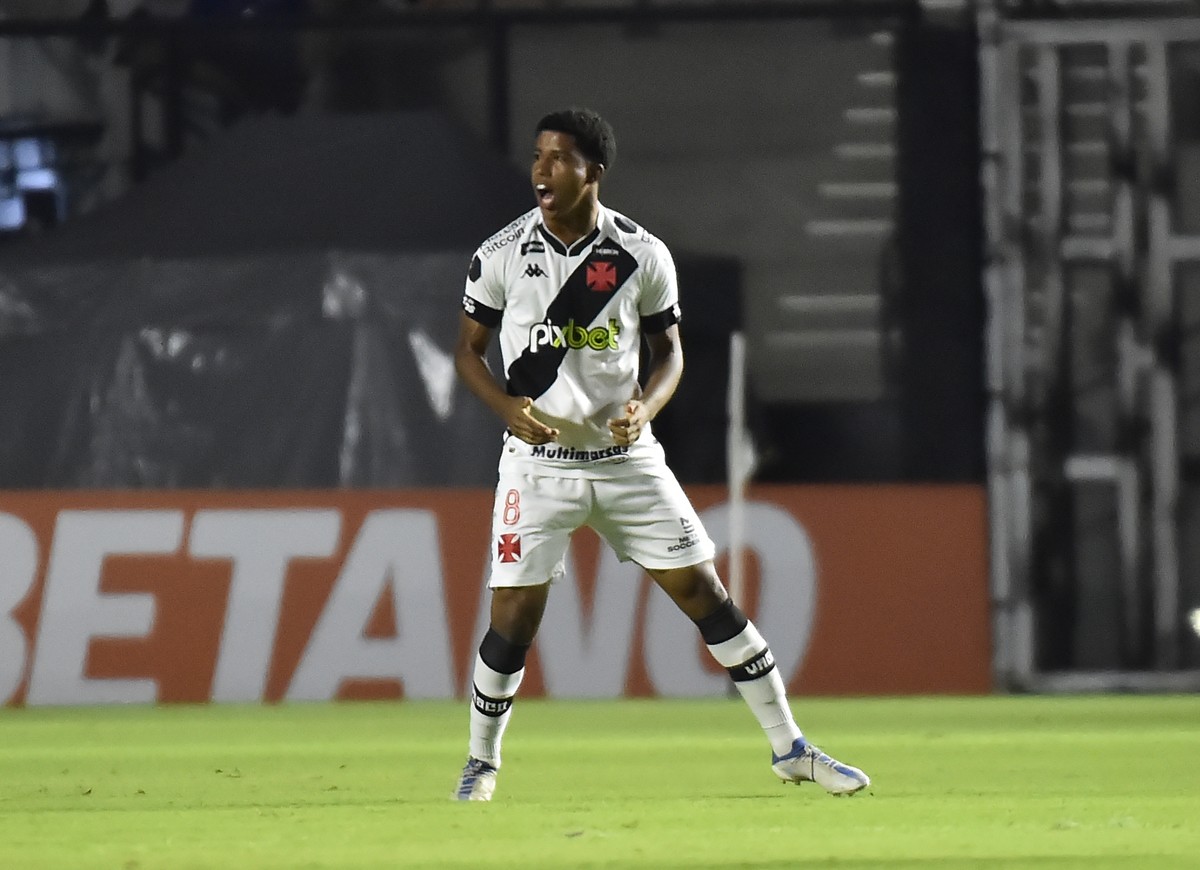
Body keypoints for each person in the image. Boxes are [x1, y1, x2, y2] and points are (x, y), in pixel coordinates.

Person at [451, 108, 870, 801]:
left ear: (593, 171)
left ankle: (791, 748)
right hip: (539, 464)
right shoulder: (499, 254)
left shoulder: (640, 254)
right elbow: (468, 352)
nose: (542, 171)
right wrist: (505, 407)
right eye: (538, 157)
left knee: (707, 594)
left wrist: (646, 406)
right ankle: (481, 762)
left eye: (559, 159)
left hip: (626, 461)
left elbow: (669, 351)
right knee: (513, 619)